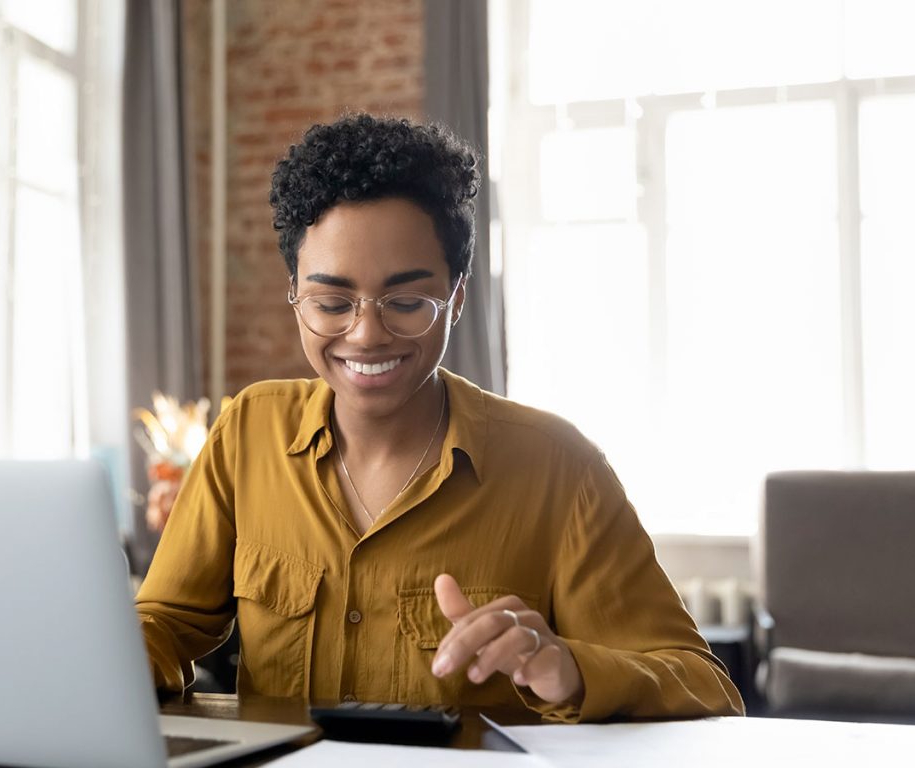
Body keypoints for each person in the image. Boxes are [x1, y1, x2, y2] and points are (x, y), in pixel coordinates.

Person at [135, 113, 744, 722]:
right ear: (295, 295)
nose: (366, 334)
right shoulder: (249, 432)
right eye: (332, 302)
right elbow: (164, 622)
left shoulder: (560, 469)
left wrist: (569, 669)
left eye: (406, 301)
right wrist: (120, 653)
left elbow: (705, 686)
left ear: (456, 298)